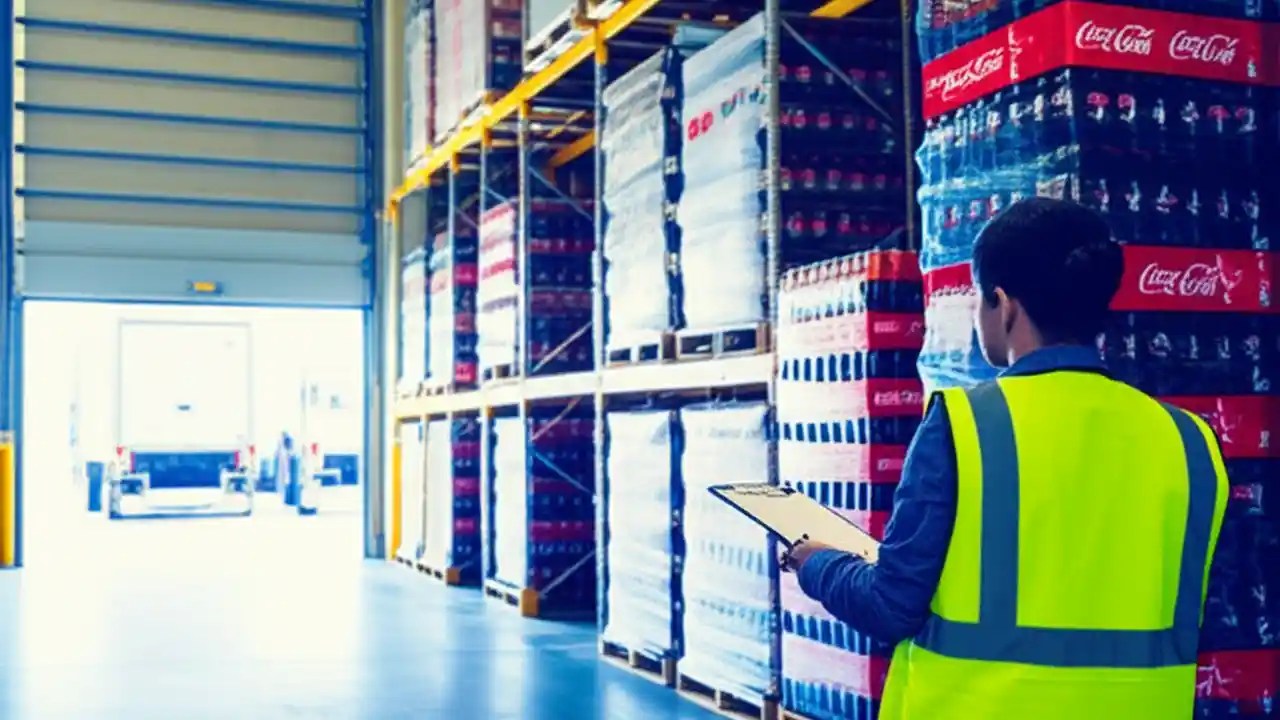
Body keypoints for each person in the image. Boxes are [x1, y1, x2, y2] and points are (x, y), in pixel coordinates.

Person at [786, 197, 1228, 719]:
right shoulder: (1189, 441)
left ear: (1005, 304)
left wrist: (814, 562)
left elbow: (890, 604)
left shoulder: (968, 425)